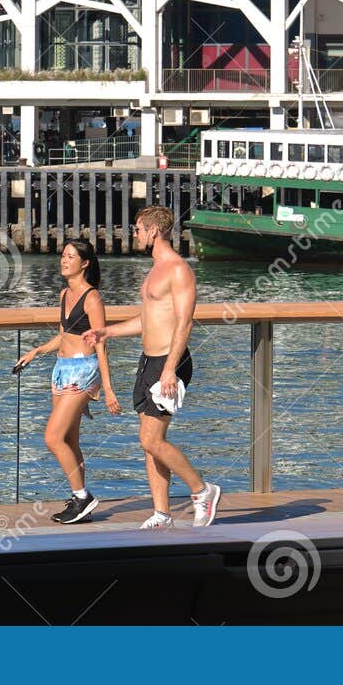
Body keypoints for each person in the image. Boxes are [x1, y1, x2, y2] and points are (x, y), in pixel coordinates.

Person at [83, 205, 221, 529]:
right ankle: (162, 514)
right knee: (149, 444)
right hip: (148, 361)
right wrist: (107, 332)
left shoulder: (178, 270)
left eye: (137, 229)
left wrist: (170, 369)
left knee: (151, 439)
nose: (135, 234)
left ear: (153, 231)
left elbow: (185, 323)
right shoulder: (155, 270)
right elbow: (146, 320)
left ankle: (202, 490)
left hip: (170, 362)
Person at [13, 239, 120, 524]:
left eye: (70, 257)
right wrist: (36, 351)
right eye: (63, 255)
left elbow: (101, 344)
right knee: (69, 440)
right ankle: (79, 503)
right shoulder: (64, 294)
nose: (64, 260)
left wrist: (108, 389)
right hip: (61, 370)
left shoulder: (92, 298)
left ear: (84, 263)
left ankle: (83, 496)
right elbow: (64, 336)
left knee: (52, 437)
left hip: (84, 371)